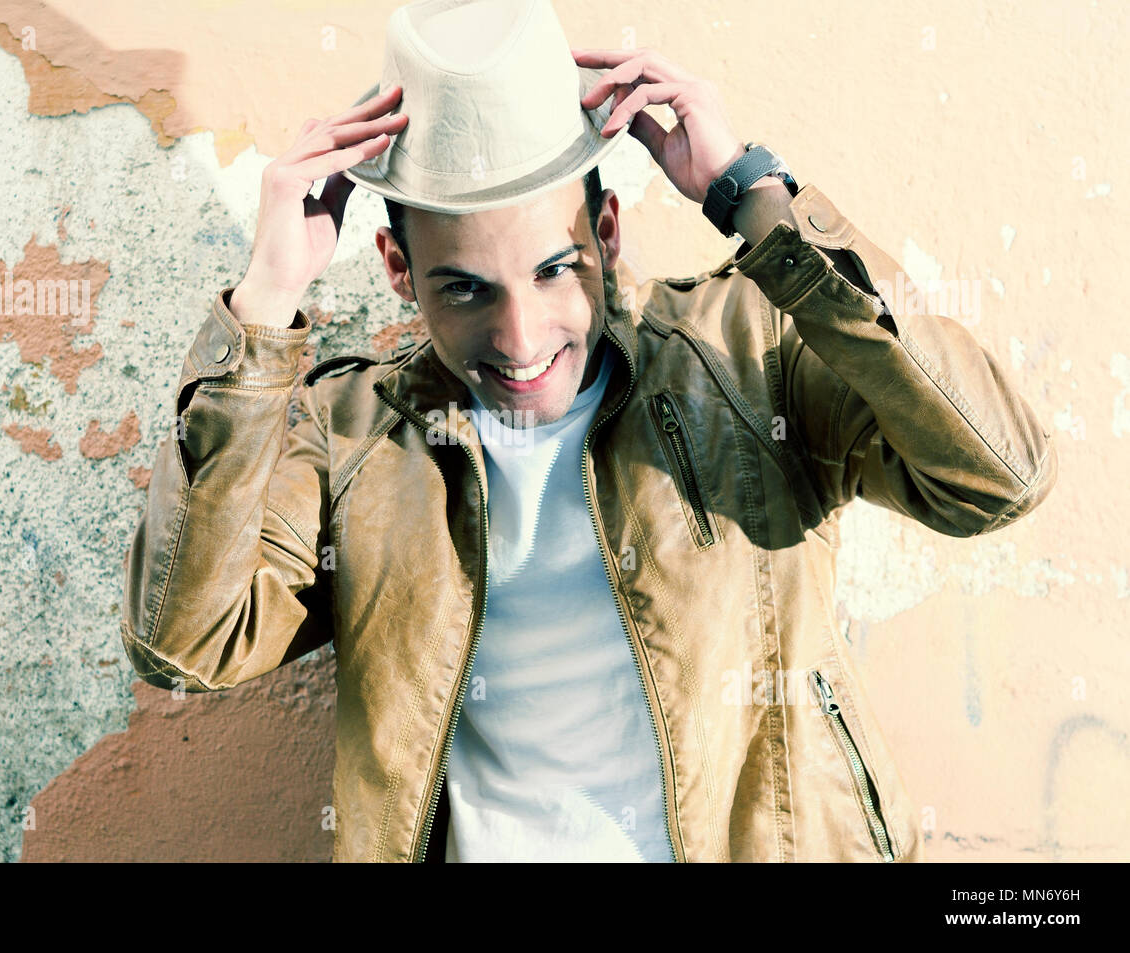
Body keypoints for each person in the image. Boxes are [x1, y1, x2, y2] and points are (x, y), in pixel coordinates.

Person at [121, 0, 1056, 862]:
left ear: (608, 232)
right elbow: (188, 641)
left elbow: (996, 474)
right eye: (465, 289)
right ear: (398, 269)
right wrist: (265, 308)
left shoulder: (747, 351)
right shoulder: (355, 437)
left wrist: (756, 199)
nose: (521, 339)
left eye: (554, 269)